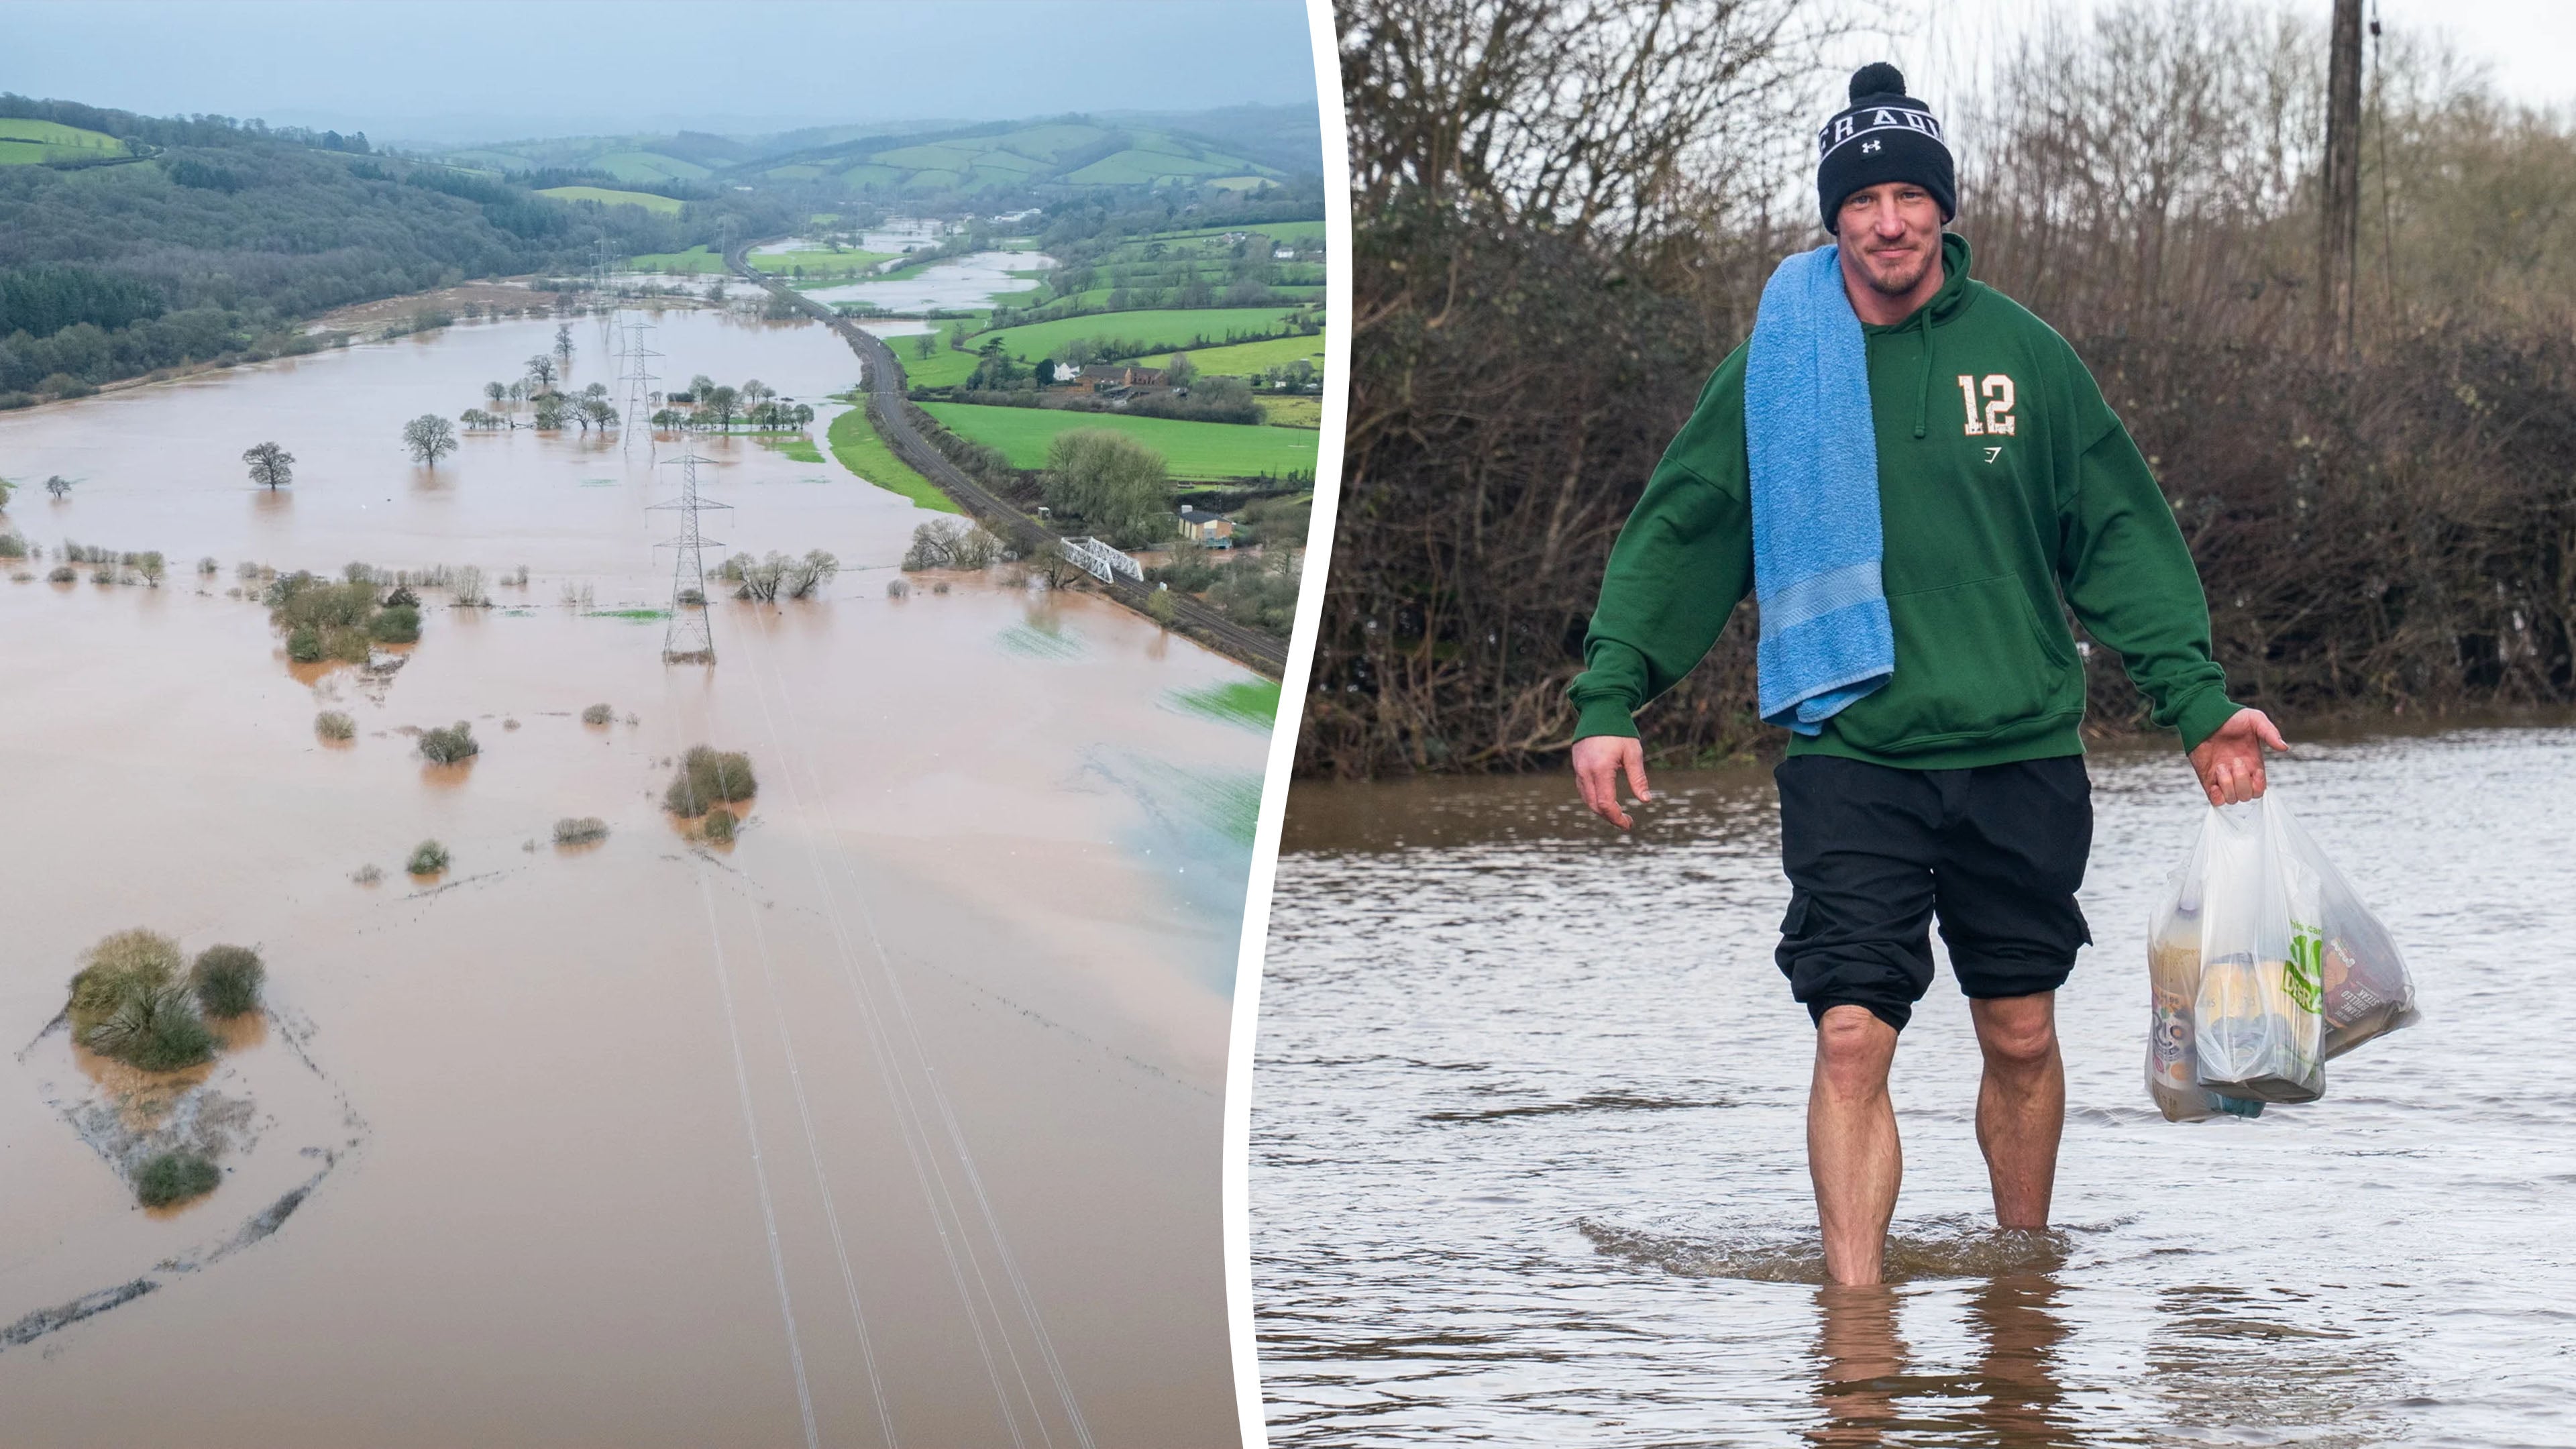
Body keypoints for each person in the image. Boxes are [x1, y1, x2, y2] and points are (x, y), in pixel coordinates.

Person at [1563, 62, 2287, 1286]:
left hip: (2018, 751)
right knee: (1851, 1034)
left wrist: (2199, 704)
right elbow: (1685, 527)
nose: (1889, 221)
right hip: (1854, 748)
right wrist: (1609, 694)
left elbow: (2117, 538)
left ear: (1944, 209)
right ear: (1832, 215)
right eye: (1865, 199)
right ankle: (1855, 1326)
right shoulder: (1783, 361)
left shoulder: (2027, 358)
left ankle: (2023, 1284)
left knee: (2018, 1032)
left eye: (1912, 196)